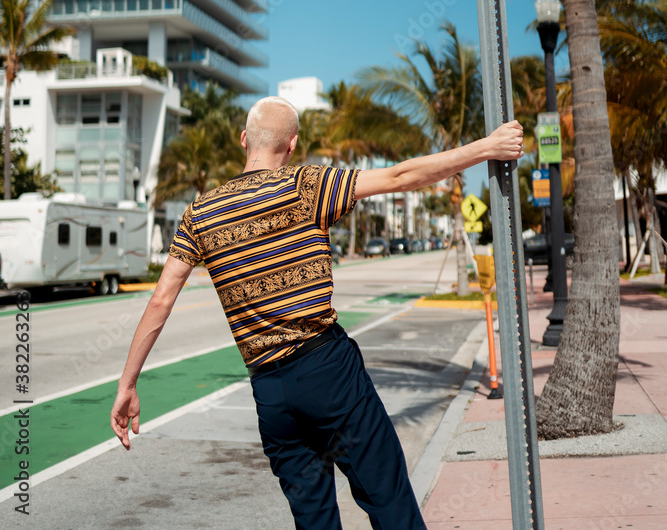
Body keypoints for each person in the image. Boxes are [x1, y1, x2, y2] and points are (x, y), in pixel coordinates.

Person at [111, 96, 523, 530]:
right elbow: (402, 175)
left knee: (315, 521)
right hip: (328, 372)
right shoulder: (306, 185)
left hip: (270, 393)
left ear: (243, 139)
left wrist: (128, 383)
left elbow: (160, 301)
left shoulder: (200, 213)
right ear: (291, 146)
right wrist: (486, 148)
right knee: (388, 500)